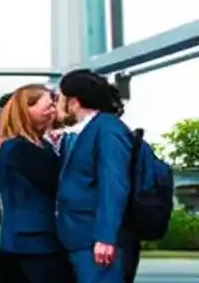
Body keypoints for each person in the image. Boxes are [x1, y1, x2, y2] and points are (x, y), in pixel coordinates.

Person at [55, 70, 139, 283]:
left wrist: (105, 236)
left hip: (95, 238)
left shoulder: (108, 130)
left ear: (73, 101)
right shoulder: (87, 130)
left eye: (60, 97)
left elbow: (114, 184)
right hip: (80, 236)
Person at [0, 84, 74, 283]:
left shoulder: (38, 144)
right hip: (31, 242)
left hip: (34, 240)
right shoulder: (18, 148)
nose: (53, 111)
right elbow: (55, 180)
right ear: (26, 110)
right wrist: (66, 119)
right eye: (48, 106)